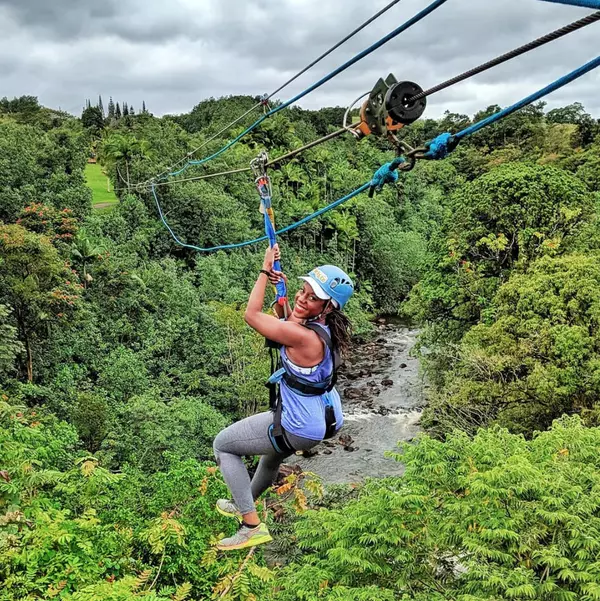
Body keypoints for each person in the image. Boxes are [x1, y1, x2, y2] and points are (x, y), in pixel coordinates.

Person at [213, 244, 354, 551]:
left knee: (223, 445)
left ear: (328, 307)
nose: (304, 298)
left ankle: (250, 525)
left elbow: (251, 315)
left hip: (299, 424)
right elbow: (289, 325)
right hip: (323, 421)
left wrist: (265, 270)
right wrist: (285, 299)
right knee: (271, 457)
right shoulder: (325, 329)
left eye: (313, 297)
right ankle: (244, 504)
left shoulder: (303, 336)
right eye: (304, 290)